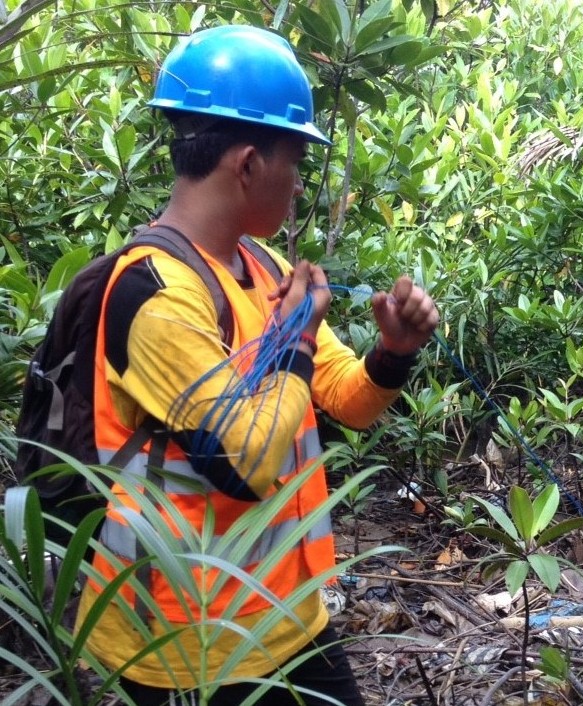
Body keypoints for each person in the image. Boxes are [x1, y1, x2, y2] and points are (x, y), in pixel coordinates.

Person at [73, 24, 439, 706]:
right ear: (247, 164)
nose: (299, 185)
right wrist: (296, 334)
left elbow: (345, 401)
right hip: (185, 644)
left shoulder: (262, 266)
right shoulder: (153, 293)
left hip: (286, 616)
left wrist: (393, 352)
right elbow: (244, 464)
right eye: (295, 162)